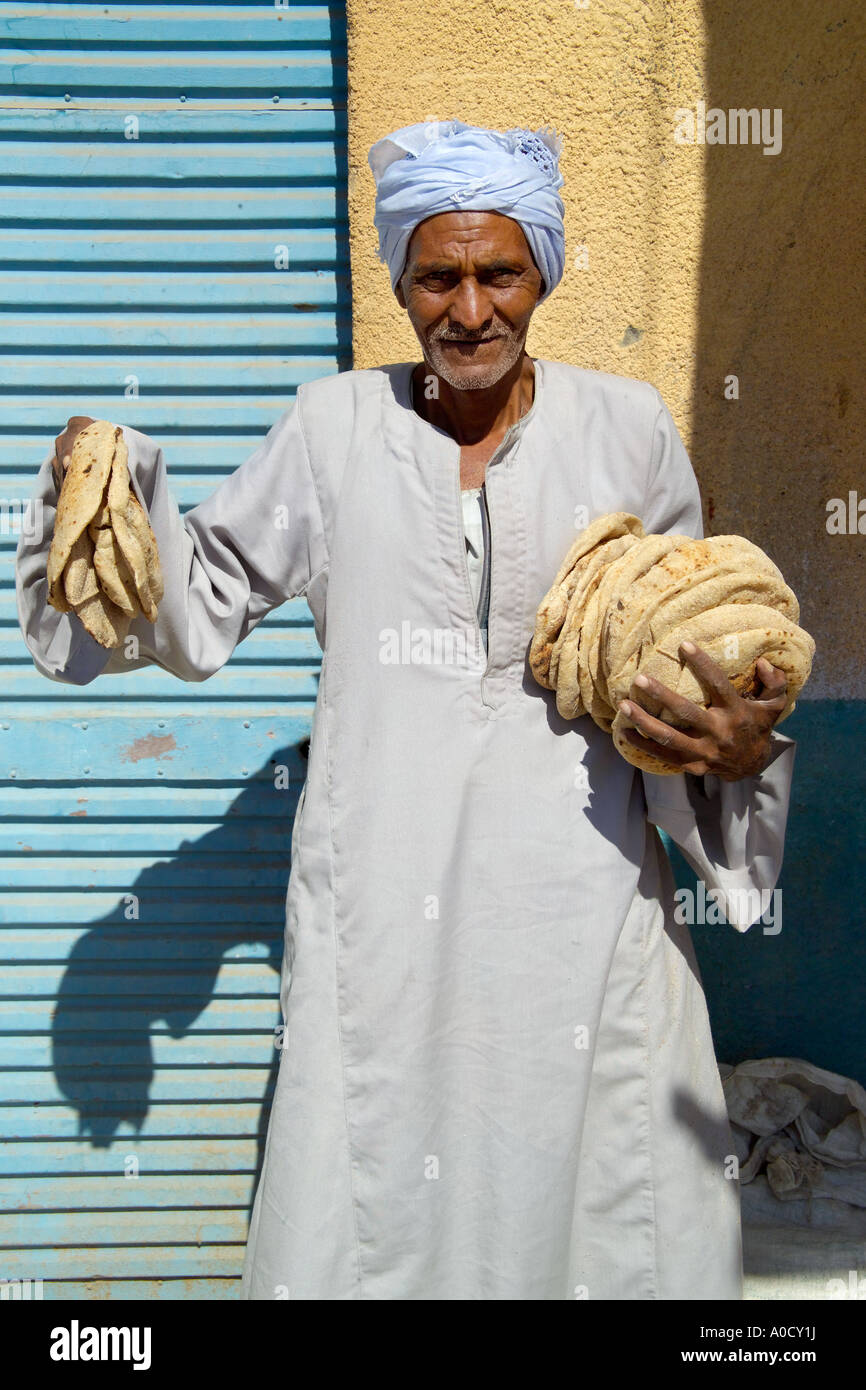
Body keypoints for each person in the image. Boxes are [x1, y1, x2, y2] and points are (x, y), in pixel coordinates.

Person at [17, 119, 795, 1300]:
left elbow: (683, 652)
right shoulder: (332, 429)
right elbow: (199, 595)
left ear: (541, 271)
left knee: (596, 1196)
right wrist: (105, 494)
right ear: (398, 279)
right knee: (379, 1200)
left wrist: (740, 747)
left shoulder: (625, 427)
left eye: (500, 273)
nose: (469, 310)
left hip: (582, 911)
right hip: (386, 911)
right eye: (438, 275)